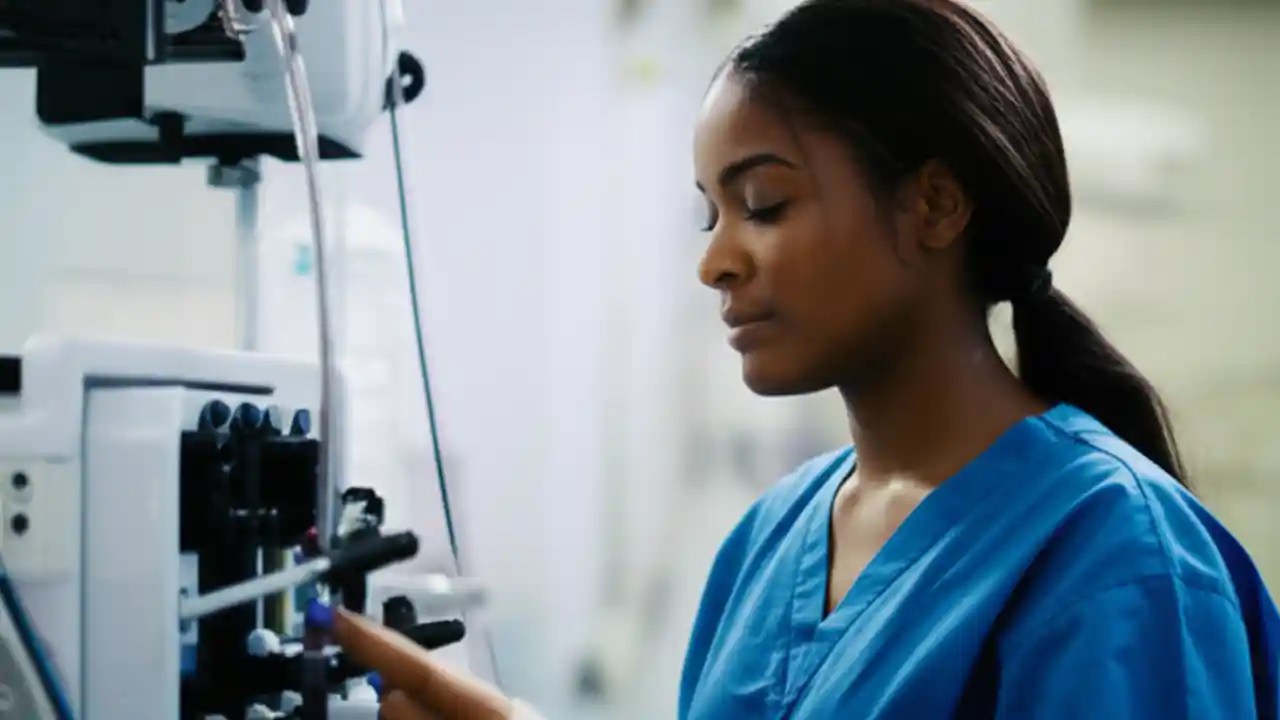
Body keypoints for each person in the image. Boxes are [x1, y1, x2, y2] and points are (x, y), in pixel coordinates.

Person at [329, 0, 1280, 717]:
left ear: (936, 206)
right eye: (710, 213)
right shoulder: (773, 534)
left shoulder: (1116, 557)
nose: (714, 261)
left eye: (766, 205)